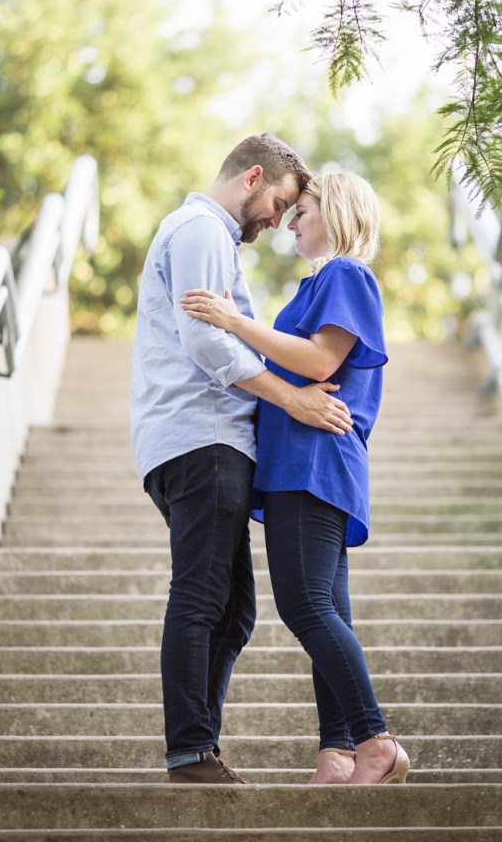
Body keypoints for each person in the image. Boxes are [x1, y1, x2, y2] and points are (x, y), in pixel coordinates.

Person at [130, 134, 354, 786]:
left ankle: (200, 747)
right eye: (279, 203)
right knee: (203, 597)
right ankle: (189, 752)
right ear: (253, 176)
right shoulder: (201, 228)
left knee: (234, 612)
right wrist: (294, 399)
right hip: (203, 441)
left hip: (206, 443)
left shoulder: (212, 238)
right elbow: (208, 346)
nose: (277, 221)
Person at [181, 171, 410, 786]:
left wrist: (234, 321)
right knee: (326, 607)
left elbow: (318, 360)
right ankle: (337, 753)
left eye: (300, 209)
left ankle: (374, 738)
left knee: (305, 604)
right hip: (305, 463)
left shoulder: (346, 274)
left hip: (313, 463)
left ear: (334, 210)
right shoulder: (321, 281)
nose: (288, 221)